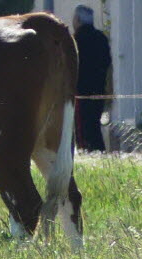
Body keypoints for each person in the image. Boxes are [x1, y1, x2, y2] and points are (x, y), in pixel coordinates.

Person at [73, 4, 112, 152]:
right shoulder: (101, 38)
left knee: (82, 129)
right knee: (94, 125)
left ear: (78, 19)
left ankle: (87, 153)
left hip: (81, 92)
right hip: (99, 90)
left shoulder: (76, 40)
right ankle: (99, 153)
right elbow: (107, 63)